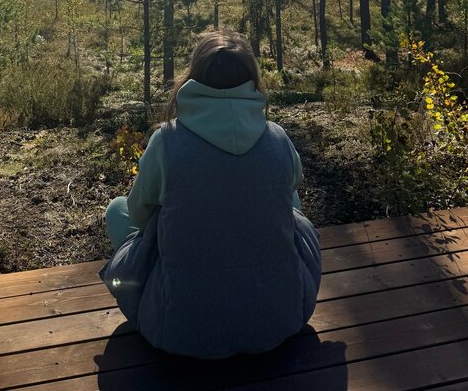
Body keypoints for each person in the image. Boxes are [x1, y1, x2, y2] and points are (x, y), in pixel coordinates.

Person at [100, 29, 321, 359]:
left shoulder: (167, 141)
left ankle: (140, 290)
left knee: (117, 210)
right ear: (252, 79)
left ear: (194, 77)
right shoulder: (277, 139)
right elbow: (291, 195)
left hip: (177, 331)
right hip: (281, 320)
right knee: (289, 204)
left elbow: (140, 215)